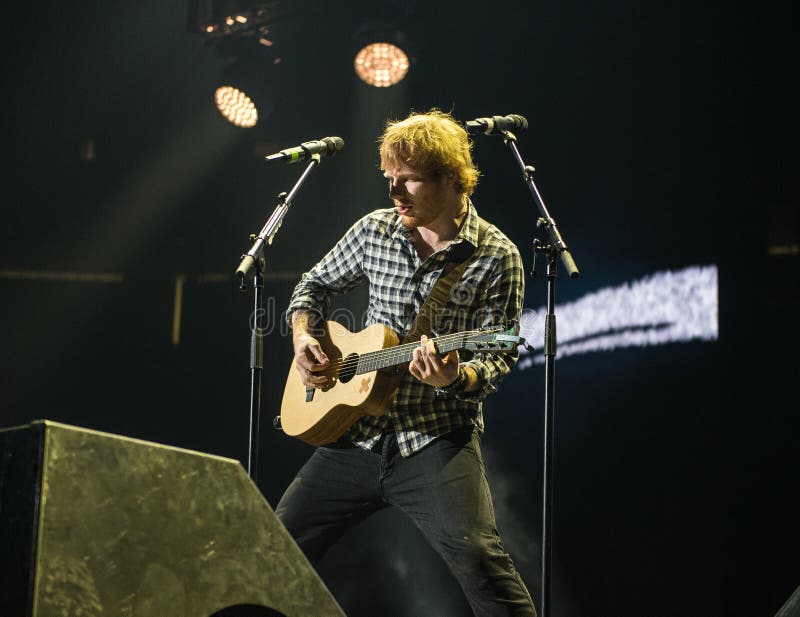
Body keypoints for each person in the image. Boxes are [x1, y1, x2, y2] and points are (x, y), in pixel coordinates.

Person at [276, 109, 536, 616]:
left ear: (453, 181)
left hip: (435, 438)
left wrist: (455, 376)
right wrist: (303, 338)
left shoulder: (497, 256)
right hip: (355, 434)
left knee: (482, 559)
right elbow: (311, 287)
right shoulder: (375, 230)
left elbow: (498, 352)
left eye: (409, 181)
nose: (394, 194)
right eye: (389, 179)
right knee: (274, 542)